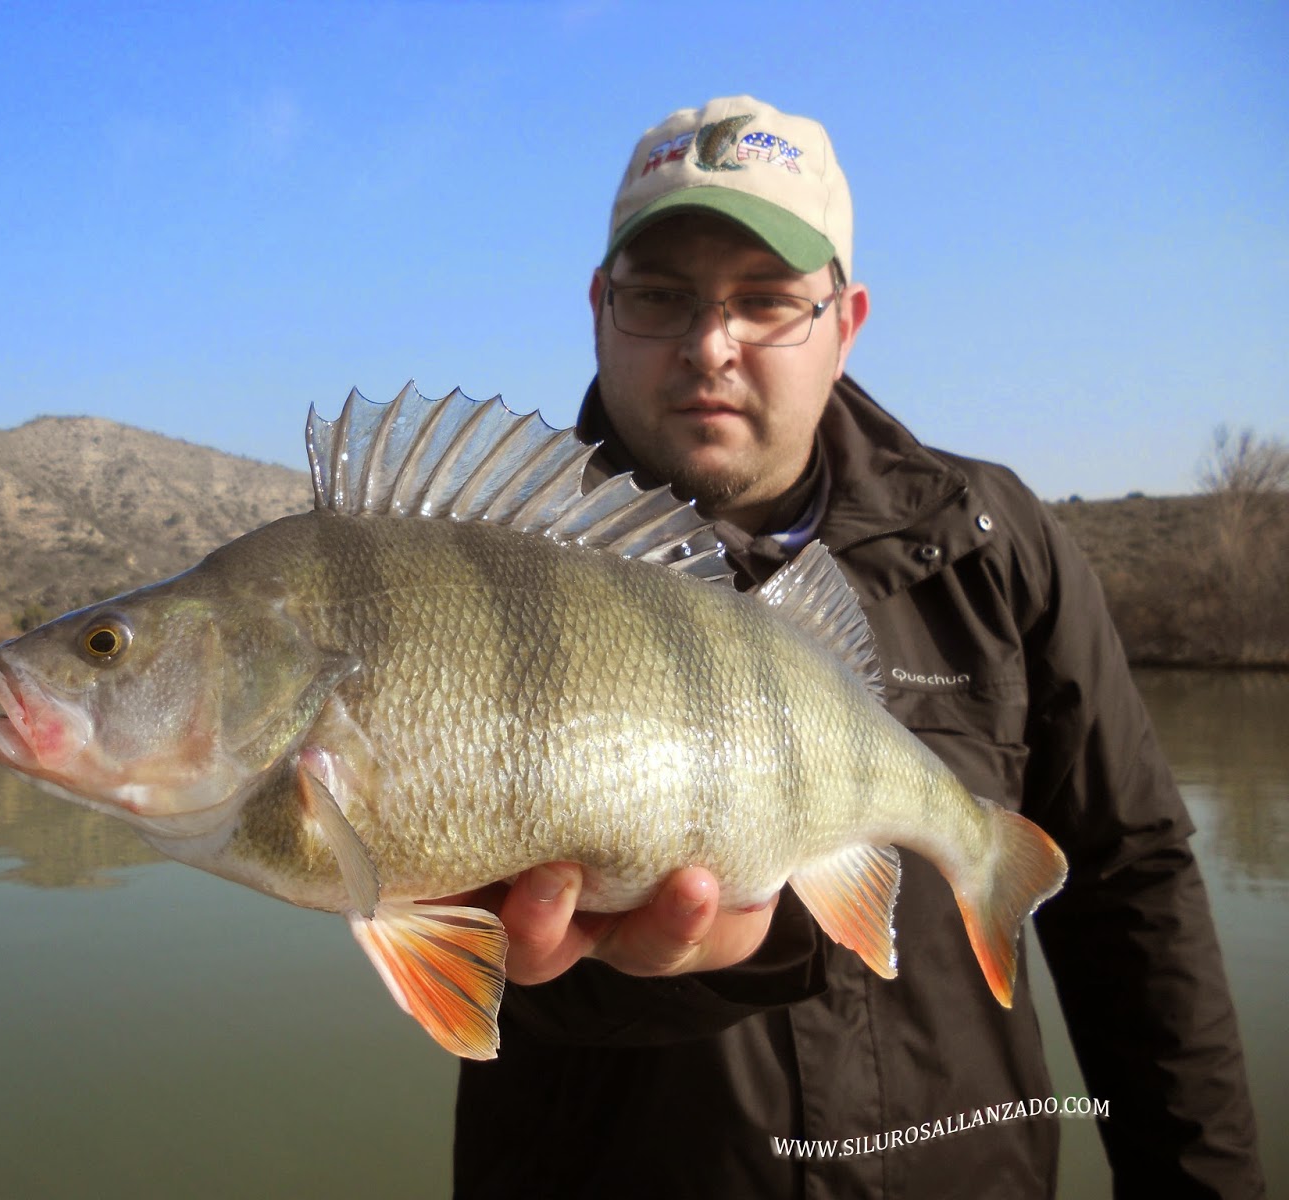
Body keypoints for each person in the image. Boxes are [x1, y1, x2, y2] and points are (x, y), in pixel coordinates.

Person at [450, 95, 1264, 1198]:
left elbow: (1137, 896)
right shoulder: (486, 573)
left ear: (847, 319)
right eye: (659, 296)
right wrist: (646, 969)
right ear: (598, 309)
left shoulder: (994, 544)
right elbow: (479, 970)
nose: (708, 344)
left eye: (767, 301)